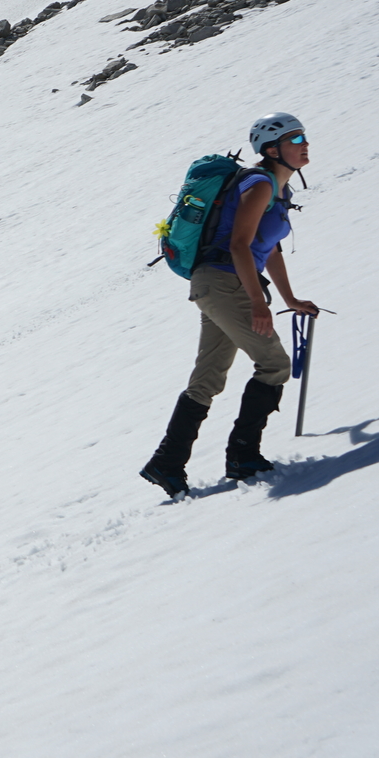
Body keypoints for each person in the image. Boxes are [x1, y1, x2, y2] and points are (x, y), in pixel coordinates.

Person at [142, 114, 320, 495]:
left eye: (305, 136)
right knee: (274, 365)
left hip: (218, 285)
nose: (305, 143)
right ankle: (243, 456)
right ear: (272, 150)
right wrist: (258, 302)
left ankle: (167, 463)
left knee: (208, 377)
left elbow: (267, 248)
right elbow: (239, 244)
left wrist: (290, 299)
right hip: (225, 285)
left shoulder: (278, 190)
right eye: (296, 138)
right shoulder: (259, 185)